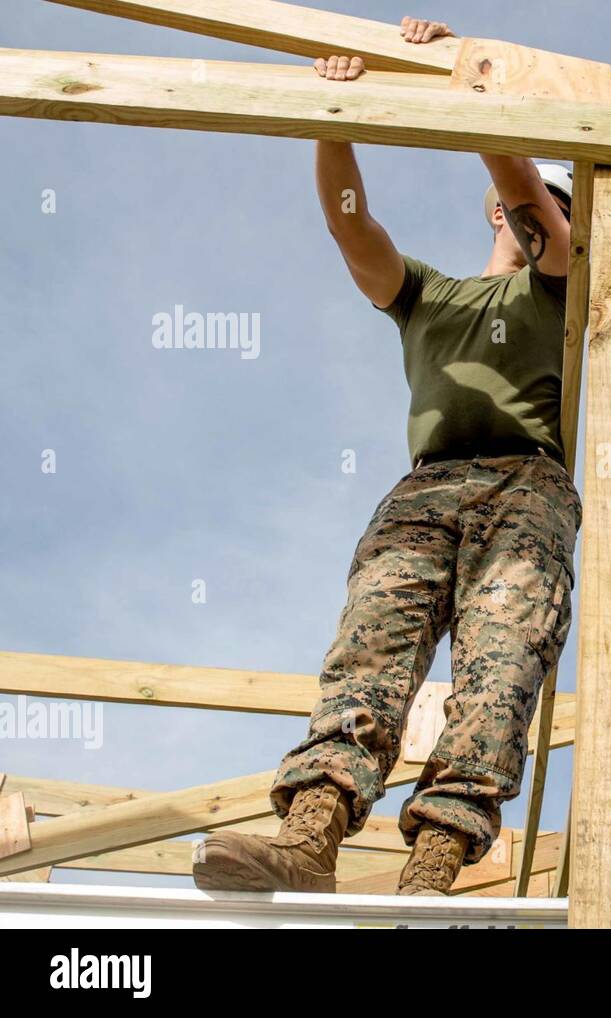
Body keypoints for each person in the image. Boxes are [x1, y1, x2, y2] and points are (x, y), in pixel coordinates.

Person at [193, 18, 580, 896]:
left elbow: (527, 193)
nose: (543, 213)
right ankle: (310, 836)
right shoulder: (428, 296)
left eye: (558, 202)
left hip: (526, 483)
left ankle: (436, 863)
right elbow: (350, 227)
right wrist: (337, 114)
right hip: (428, 486)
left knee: (500, 665)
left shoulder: (565, 281)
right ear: (492, 213)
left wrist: (467, 79)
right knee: (371, 649)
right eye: (537, 200)